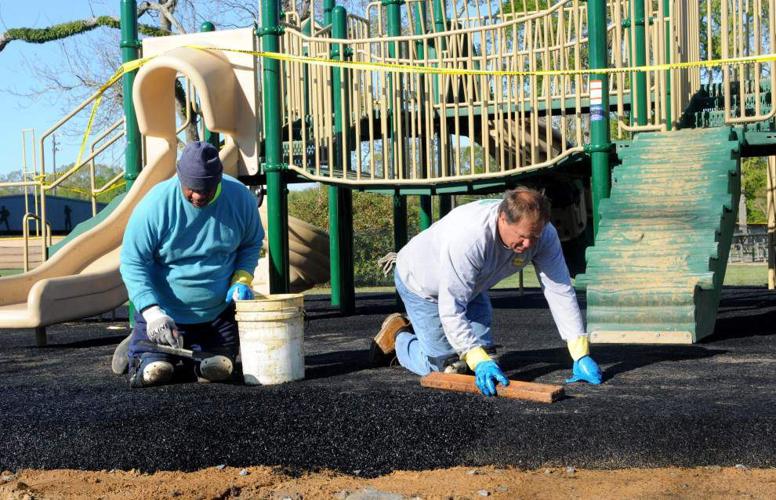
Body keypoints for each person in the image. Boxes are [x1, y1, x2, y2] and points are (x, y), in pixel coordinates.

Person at [370, 187, 602, 397]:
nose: (529, 245)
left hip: (471, 286)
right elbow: (451, 308)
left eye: (535, 237)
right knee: (449, 369)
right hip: (421, 285)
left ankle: (430, 340)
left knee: (487, 359)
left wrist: (579, 351)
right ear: (503, 218)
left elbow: (559, 290)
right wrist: (474, 357)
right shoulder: (470, 238)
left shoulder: (544, 234)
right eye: (522, 237)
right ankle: (399, 337)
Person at [119, 141, 263, 388]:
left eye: (206, 189)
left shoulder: (240, 199)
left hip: (217, 316)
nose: (198, 196)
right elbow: (132, 261)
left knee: (218, 369)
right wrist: (153, 313)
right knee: (156, 372)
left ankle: (192, 356)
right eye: (191, 189)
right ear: (180, 178)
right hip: (164, 314)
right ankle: (142, 350)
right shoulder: (155, 205)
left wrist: (242, 278)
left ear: (218, 180)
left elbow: (251, 243)